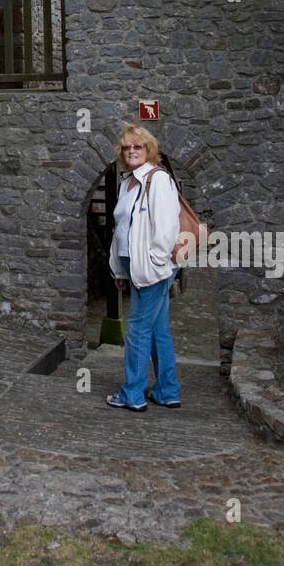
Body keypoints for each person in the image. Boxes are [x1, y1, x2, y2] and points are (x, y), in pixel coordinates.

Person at [105, 124, 182, 412]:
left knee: (137, 328)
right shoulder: (128, 182)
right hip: (133, 265)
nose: (132, 151)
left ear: (149, 150)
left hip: (152, 266)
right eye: (127, 147)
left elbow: (166, 229)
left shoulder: (158, 180)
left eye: (138, 146)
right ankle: (166, 389)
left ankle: (133, 393)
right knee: (158, 329)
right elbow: (122, 229)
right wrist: (121, 271)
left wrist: (156, 266)